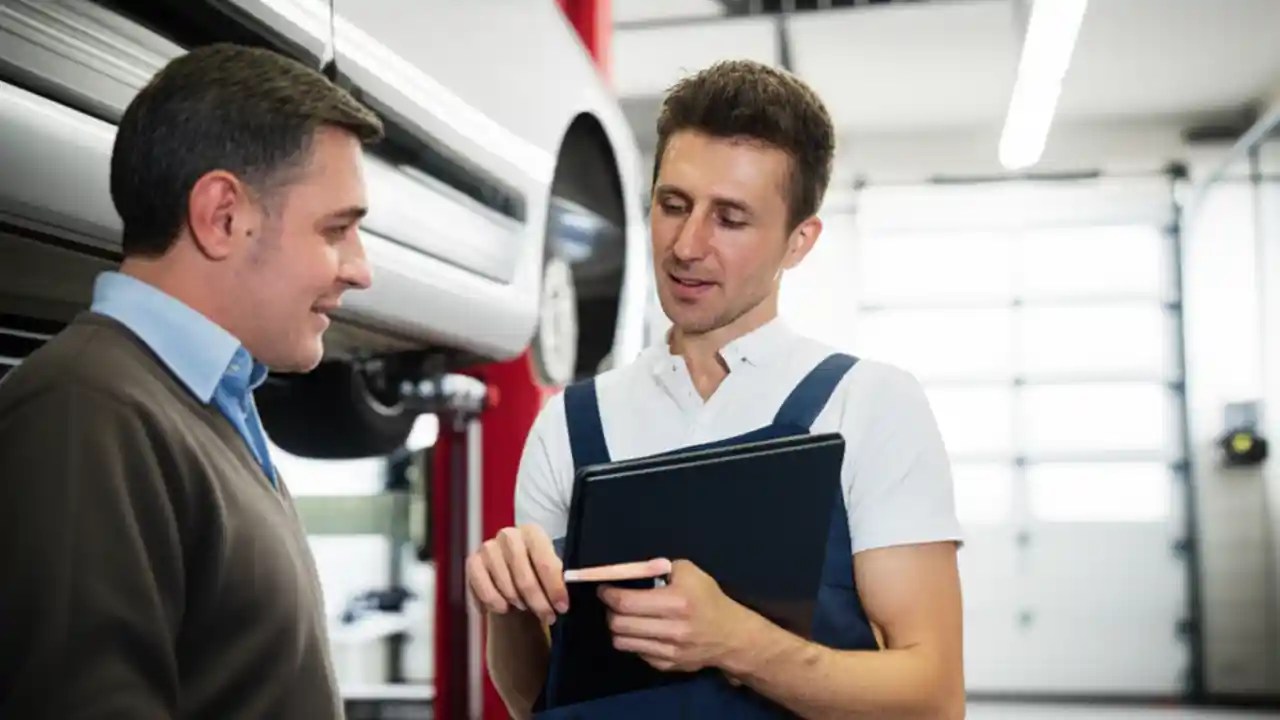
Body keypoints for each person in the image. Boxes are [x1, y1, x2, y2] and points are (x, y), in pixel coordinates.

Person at [467, 59, 966, 719]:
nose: (686, 245)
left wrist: (737, 643)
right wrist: (505, 608)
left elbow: (932, 701)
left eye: (730, 219)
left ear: (799, 242)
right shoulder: (569, 425)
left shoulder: (871, 407)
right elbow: (536, 697)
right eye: (673, 205)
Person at [0, 43, 383, 718]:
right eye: (337, 230)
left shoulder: (200, 406)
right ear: (222, 216)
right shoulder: (84, 412)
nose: (360, 269)